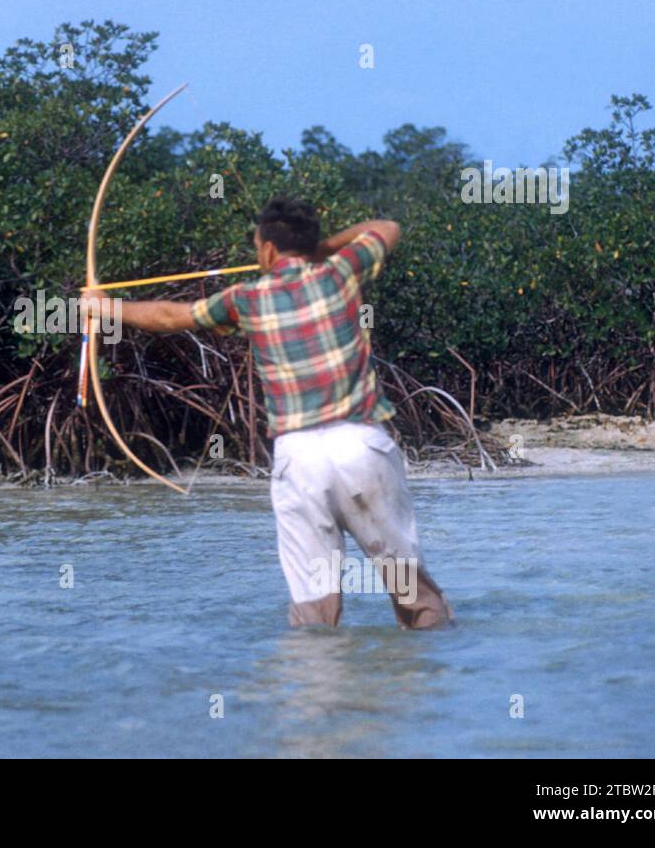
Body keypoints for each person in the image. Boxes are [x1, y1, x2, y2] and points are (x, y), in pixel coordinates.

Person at [83, 196, 453, 629]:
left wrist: (105, 307)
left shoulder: (247, 297)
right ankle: (432, 678)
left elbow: (171, 316)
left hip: (299, 461)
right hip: (362, 448)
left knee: (314, 610)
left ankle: (315, 691)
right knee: (415, 595)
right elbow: (388, 226)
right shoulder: (342, 271)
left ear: (269, 250)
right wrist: (326, 247)